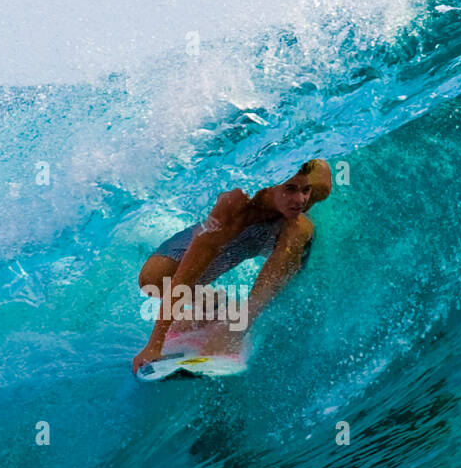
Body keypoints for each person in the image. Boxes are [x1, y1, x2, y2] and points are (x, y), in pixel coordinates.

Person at [132, 158, 333, 373]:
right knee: (153, 279)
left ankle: (237, 327)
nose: (300, 199)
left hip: (281, 237)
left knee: (299, 228)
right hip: (239, 230)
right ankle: (212, 304)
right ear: (272, 183)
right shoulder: (235, 205)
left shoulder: (310, 189)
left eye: (305, 191)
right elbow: (185, 276)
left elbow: (322, 177)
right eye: (290, 189)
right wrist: (154, 345)